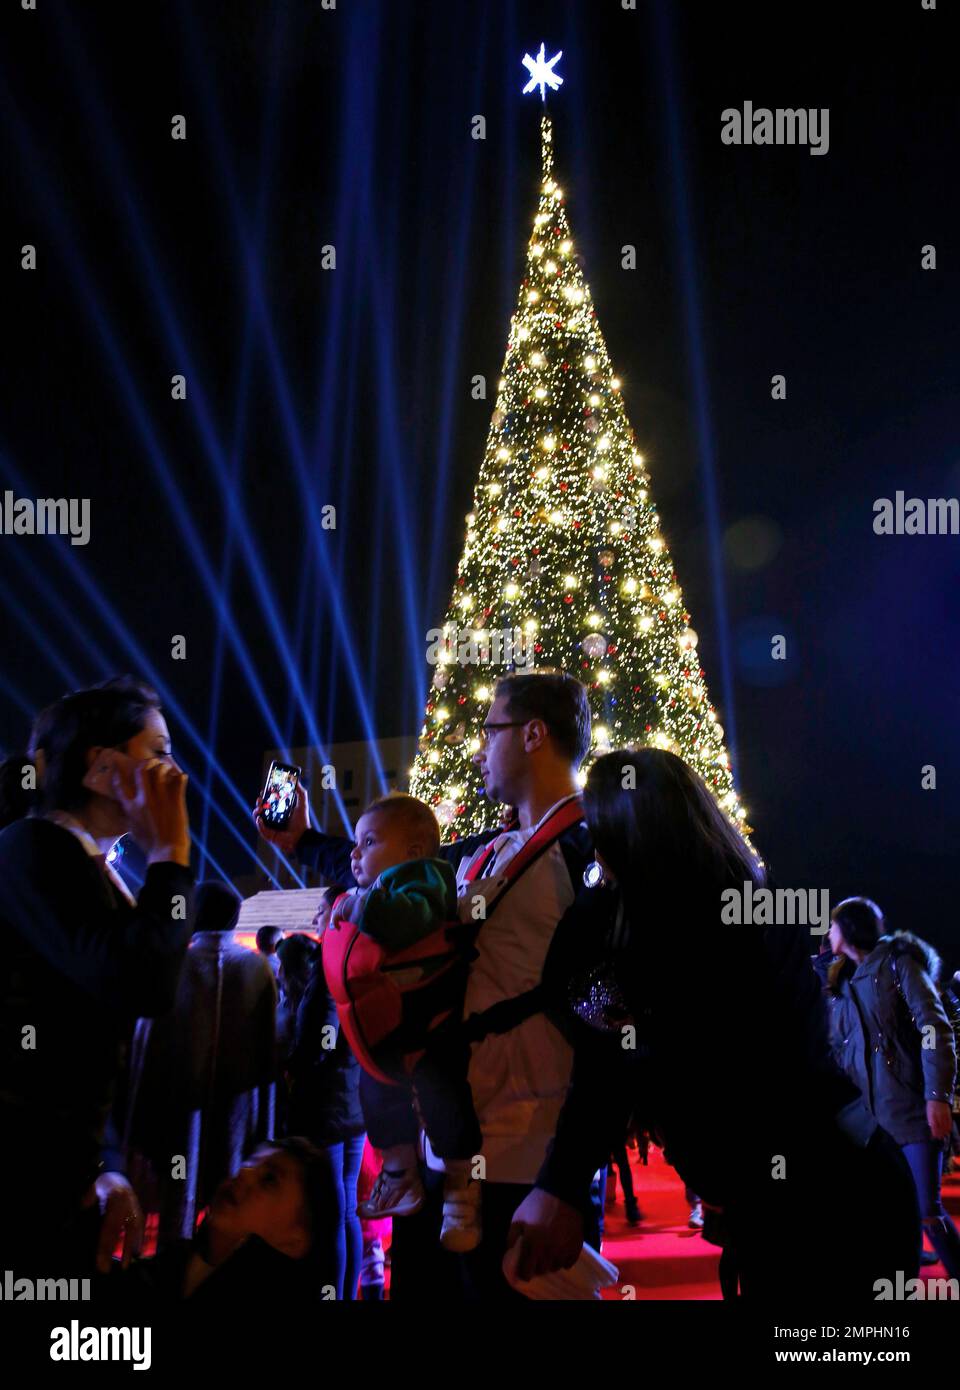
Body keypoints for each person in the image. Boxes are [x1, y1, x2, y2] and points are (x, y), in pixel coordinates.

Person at [515, 748, 922, 1300]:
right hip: (820, 1194)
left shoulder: (697, 934)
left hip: (824, 1203)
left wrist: (560, 1181)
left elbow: (617, 1060)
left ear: (627, 844)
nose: (599, 864)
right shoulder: (726, 915)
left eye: (603, 842)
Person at [256, 670, 598, 1300]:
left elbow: (612, 1032)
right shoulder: (487, 852)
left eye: (489, 730)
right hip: (446, 1153)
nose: (478, 748)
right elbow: (394, 867)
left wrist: (567, 1181)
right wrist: (302, 841)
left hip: (529, 1167)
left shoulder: (589, 855)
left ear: (532, 735)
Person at [0, 677, 193, 1280]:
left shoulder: (87, 863)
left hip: (61, 1186)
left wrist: (104, 1162)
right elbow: (144, 981)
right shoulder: (32, 848)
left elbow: (81, 1047)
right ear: (102, 768)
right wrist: (170, 854)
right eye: (157, 753)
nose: (175, 773)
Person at [324, 792, 483, 1253]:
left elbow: (410, 920)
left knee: (445, 1097)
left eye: (369, 841)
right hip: (391, 1030)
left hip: (430, 1026)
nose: (355, 854)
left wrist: (361, 909)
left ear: (413, 851)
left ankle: (462, 1193)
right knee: (375, 1094)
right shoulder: (374, 890)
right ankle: (399, 1174)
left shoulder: (425, 878)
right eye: (355, 844)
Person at [122, 880, 278, 1249]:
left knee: (179, 1200)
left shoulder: (175, 965)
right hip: (237, 1117)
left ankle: (171, 1279)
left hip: (177, 1113)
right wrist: (264, 1131)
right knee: (232, 1205)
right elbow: (267, 1058)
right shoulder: (258, 970)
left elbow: (146, 1046)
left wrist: (136, 1123)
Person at [826, 898, 959, 1277]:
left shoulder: (899, 964)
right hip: (869, 1121)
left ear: (850, 928)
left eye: (833, 925)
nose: (828, 933)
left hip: (911, 1108)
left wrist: (937, 1097)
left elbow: (935, 1027)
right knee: (888, 1212)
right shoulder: (842, 983)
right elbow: (840, 1050)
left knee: (925, 1211)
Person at [115, 1138, 339, 1304]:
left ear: (295, 1239)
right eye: (251, 1161)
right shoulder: (174, 1262)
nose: (244, 1172)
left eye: (269, 1179)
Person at [279, 886, 365, 1299]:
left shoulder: (330, 965)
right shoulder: (355, 957)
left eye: (319, 911)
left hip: (328, 1107)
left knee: (331, 1214)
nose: (315, 919)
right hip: (351, 1102)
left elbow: (324, 1038)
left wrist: (296, 1066)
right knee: (346, 1209)